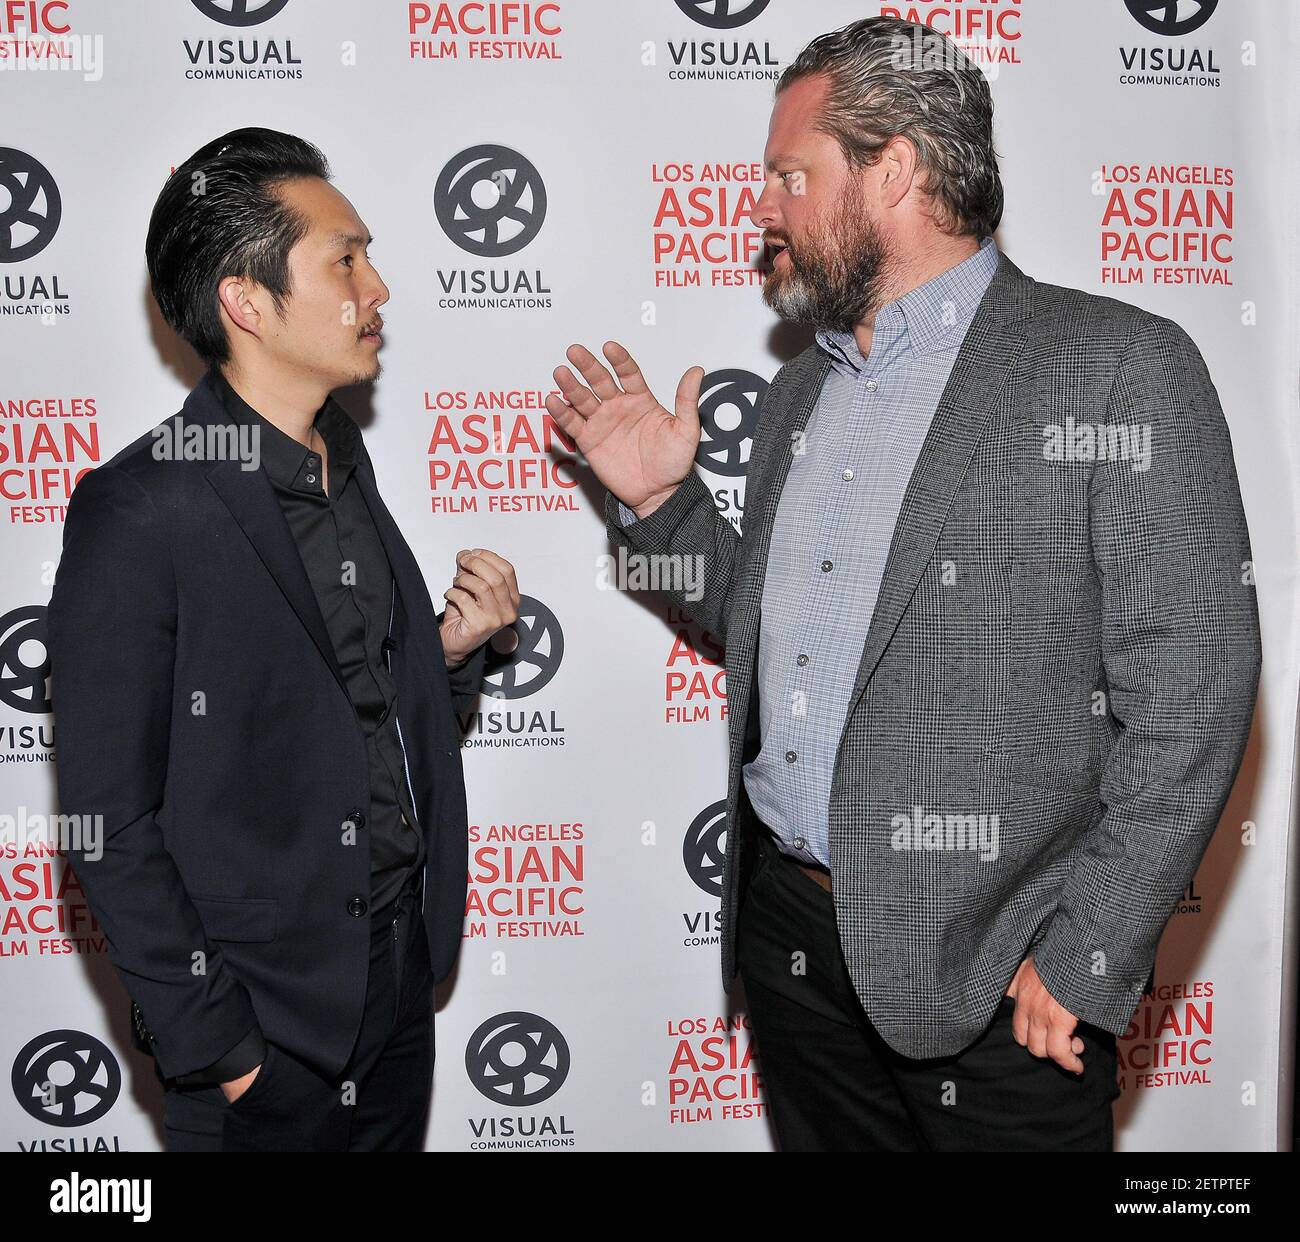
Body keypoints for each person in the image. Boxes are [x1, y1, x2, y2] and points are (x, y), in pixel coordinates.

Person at [545, 17, 1260, 1151]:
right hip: (793, 946)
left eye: (791, 175)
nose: (764, 209)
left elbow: (1196, 692)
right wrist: (656, 505)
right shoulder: (798, 395)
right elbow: (764, 635)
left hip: (996, 982)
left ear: (895, 170)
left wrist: (1088, 955)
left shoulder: (1120, 367)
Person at [48, 128, 520, 1152]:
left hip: (394, 991)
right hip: (264, 1037)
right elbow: (106, 822)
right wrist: (225, 1053)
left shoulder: (343, 460)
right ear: (247, 302)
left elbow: (352, 718)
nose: (378, 287)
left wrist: (443, 656)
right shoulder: (140, 507)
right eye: (345, 260)